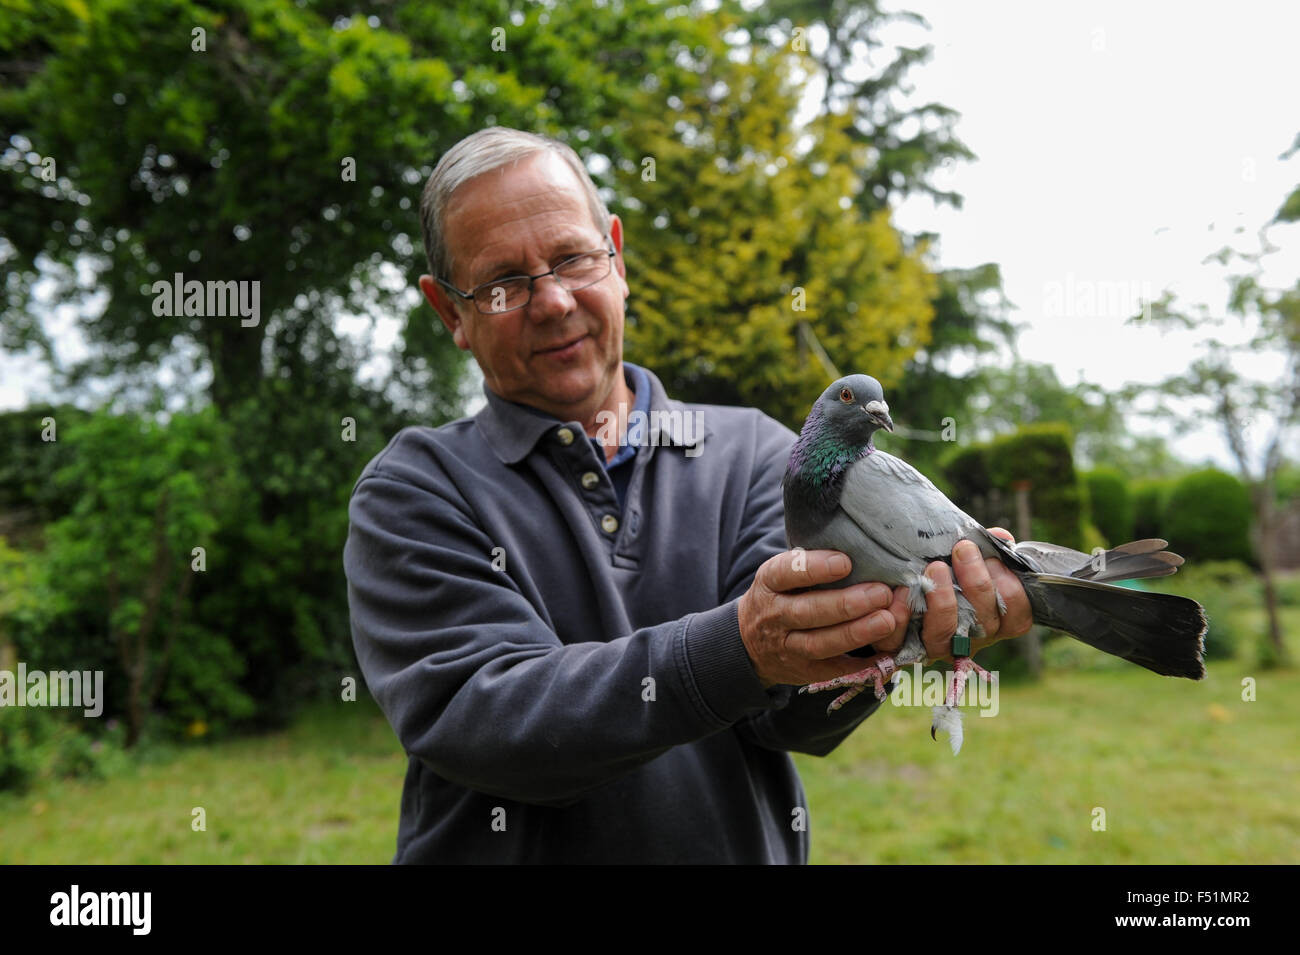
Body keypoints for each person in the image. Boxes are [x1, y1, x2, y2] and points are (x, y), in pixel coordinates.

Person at [342, 127, 1032, 864]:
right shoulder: (414, 492)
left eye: (573, 257)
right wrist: (739, 648)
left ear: (617, 254)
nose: (552, 301)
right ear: (451, 312)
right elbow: (490, 721)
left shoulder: (763, 458)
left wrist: (892, 631)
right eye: (504, 282)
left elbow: (792, 720)